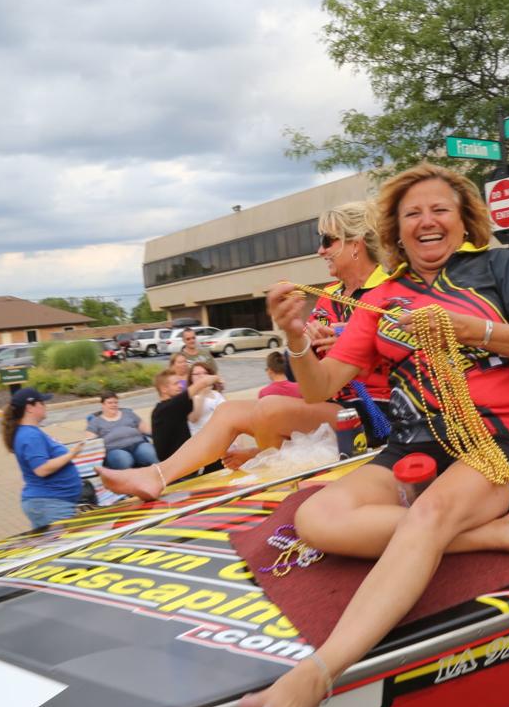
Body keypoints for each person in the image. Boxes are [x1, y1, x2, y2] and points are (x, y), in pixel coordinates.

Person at [237, 162, 509, 707]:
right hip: (415, 444)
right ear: (395, 231)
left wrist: (469, 329)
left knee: (427, 514)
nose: (427, 221)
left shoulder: (499, 266)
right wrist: (296, 338)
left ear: (462, 219)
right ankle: (503, 534)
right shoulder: (384, 297)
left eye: (439, 209)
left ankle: (321, 670)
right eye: (412, 213)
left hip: (498, 443)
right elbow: (322, 386)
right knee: (316, 516)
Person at [100, 201, 393, 492]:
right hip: (331, 403)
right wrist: (298, 340)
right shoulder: (329, 296)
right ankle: (157, 475)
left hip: (377, 413)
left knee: (270, 407)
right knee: (229, 412)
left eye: (327, 241)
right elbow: (297, 375)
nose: (320, 250)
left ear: (355, 244)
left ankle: (272, 476)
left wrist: (345, 339)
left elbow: (403, 351)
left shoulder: (391, 291)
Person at [2, 387, 84, 529]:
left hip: (50, 502)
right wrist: (72, 454)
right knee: (63, 547)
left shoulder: (30, 432)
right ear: (30, 408)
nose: (46, 406)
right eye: (42, 403)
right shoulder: (30, 435)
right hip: (51, 504)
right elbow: (41, 469)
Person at [149, 369, 219, 464]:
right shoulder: (165, 408)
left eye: (180, 383)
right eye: (176, 384)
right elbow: (202, 383)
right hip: (175, 465)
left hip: (185, 459)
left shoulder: (174, 405)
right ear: (163, 389)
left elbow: (194, 413)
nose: (180, 386)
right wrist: (216, 377)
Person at [84, 391, 157, 469]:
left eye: (116, 402)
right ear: (102, 405)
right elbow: (89, 442)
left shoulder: (128, 414)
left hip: (138, 444)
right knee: (124, 460)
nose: (114, 405)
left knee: (150, 454)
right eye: (110, 403)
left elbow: (147, 429)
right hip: (115, 450)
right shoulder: (96, 421)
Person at [186, 361, 225, 436]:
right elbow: (193, 419)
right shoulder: (188, 396)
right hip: (202, 438)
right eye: (197, 374)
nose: (202, 376)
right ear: (191, 378)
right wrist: (202, 394)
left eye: (205, 373)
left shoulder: (216, 393)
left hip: (221, 435)